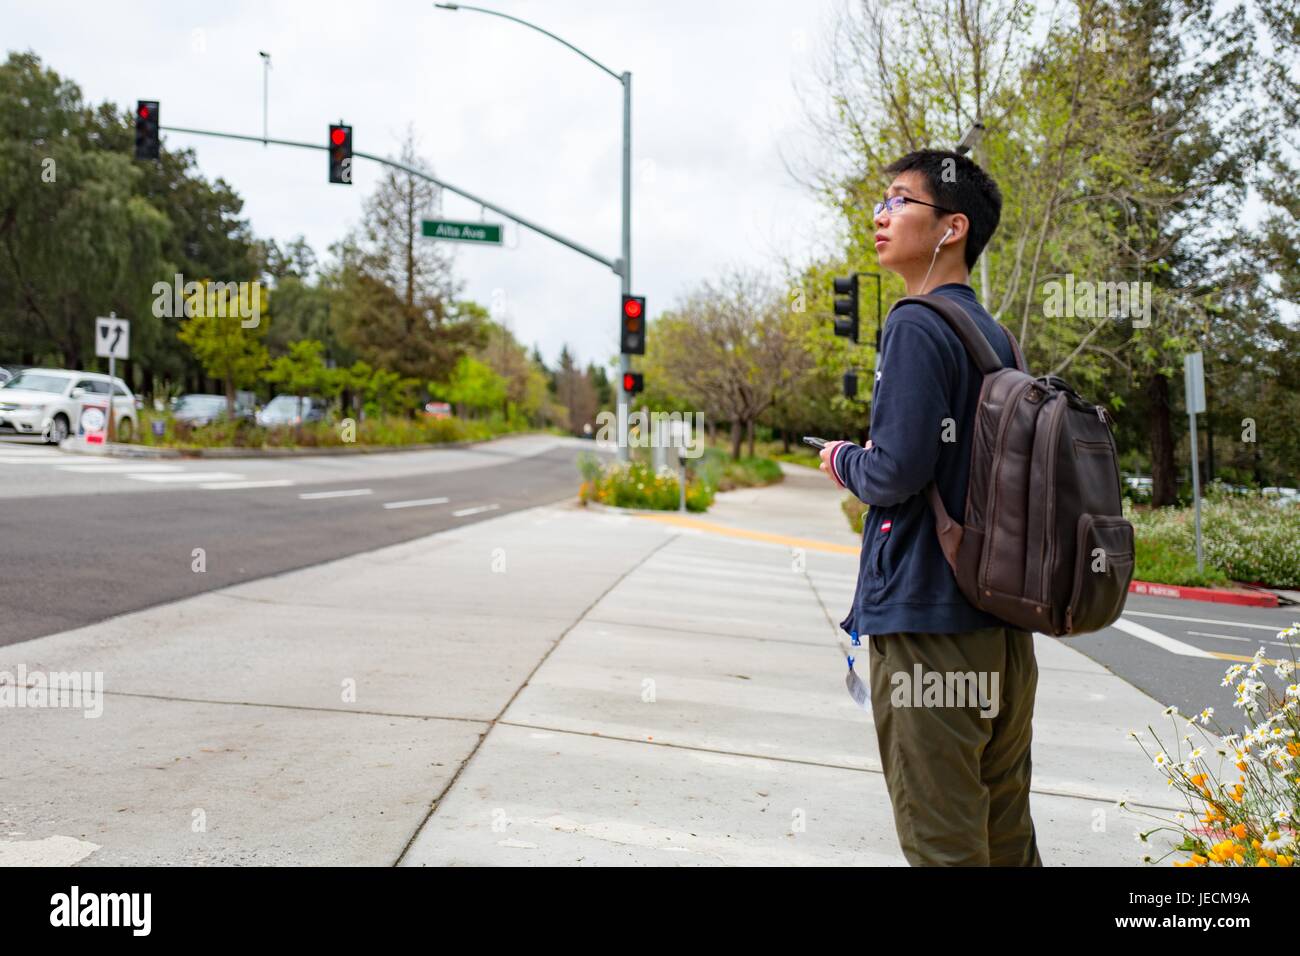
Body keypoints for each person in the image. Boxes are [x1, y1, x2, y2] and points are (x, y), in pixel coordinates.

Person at [818, 149, 1042, 867]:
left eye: (897, 201)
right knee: (1005, 836)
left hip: (928, 626)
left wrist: (841, 460)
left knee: (944, 845)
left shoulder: (915, 322)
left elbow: (897, 470)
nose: (880, 216)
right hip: (1001, 632)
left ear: (951, 228)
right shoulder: (995, 336)